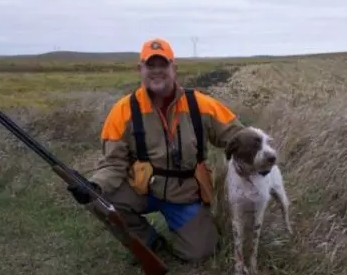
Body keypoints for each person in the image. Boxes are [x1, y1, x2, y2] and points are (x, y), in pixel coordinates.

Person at [67, 38, 244, 263]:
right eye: (151, 66)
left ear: (174, 69)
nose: (157, 71)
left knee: (202, 253)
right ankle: (148, 241)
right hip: (143, 190)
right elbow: (113, 163)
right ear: (140, 69)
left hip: (186, 193)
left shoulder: (200, 104)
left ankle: (185, 230)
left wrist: (260, 152)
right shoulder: (123, 111)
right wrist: (93, 185)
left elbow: (237, 136)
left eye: (164, 65)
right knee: (100, 199)